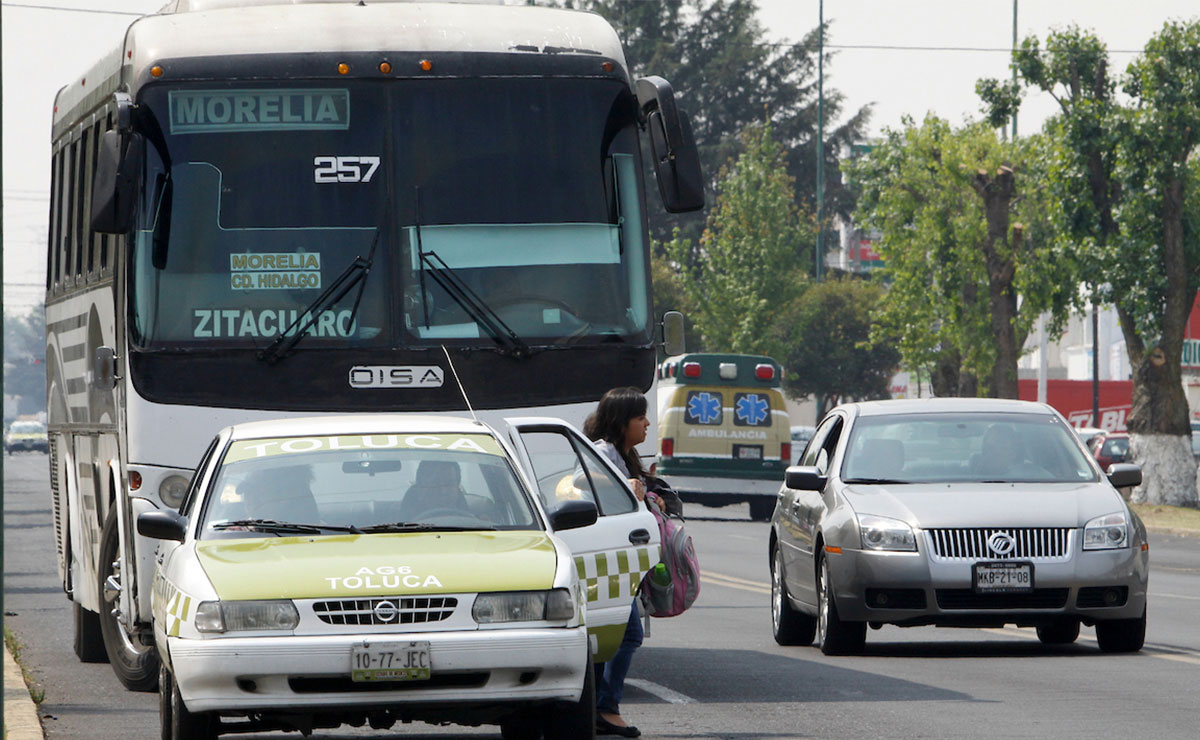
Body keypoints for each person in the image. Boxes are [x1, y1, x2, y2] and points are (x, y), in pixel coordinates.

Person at [583, 387, 650, 738]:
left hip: (621, 557)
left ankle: (597, 707)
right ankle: (604, 708)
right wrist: (624, 485)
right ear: (622, 422)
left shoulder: (624, 454)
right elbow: (582, 479)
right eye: (640, 418)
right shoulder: (602, 452)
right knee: (626, 634)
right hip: (605, 558)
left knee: (618, 634)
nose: (647, 424)